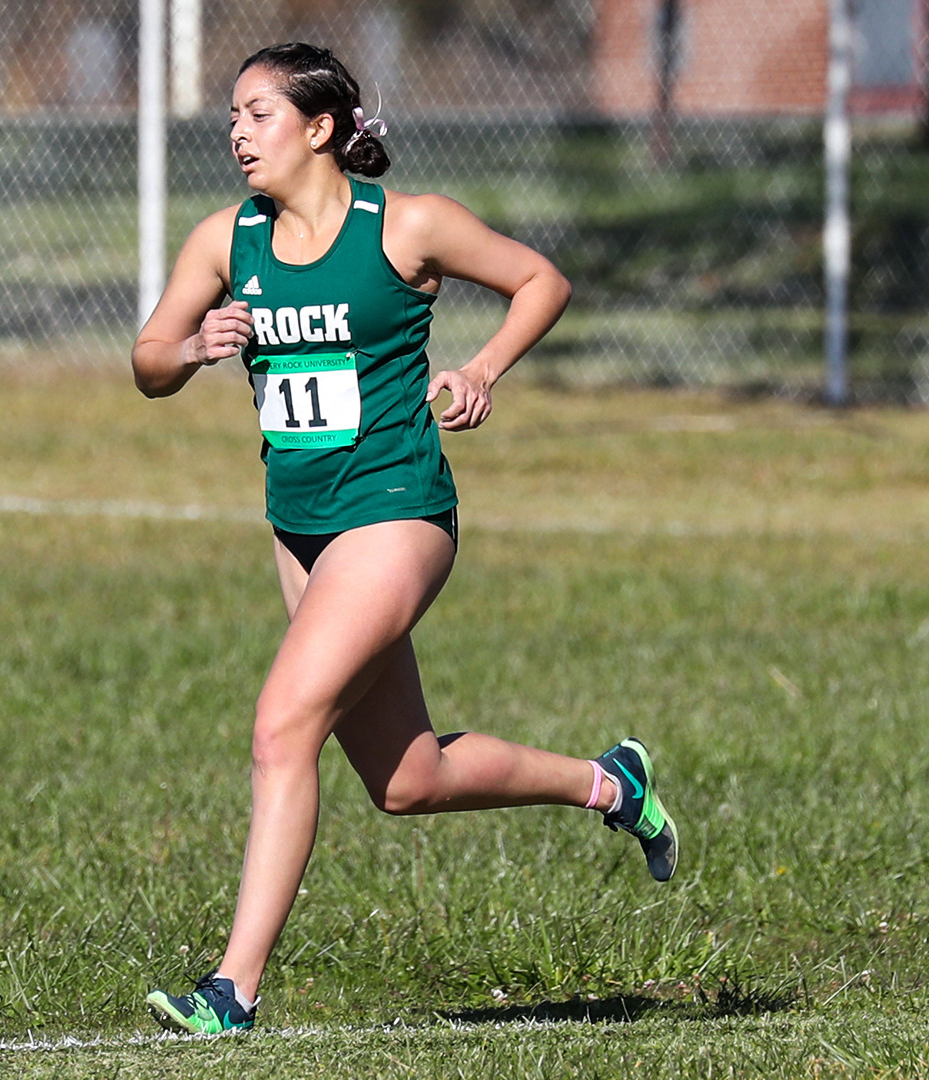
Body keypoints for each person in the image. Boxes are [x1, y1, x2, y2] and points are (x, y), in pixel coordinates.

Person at [130, 42, 678, 1036]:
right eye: (235, 116)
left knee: (280, 727)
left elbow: (539, 281)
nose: (236, 132)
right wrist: (190, 349)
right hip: (298, 527)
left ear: (320, 128)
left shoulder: (407, 226)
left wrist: (482, 370)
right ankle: (610, 783)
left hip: (395, 511)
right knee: (406, 779)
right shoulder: (226, 241)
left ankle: (231, 992)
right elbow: (147, 359)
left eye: (258, 115)